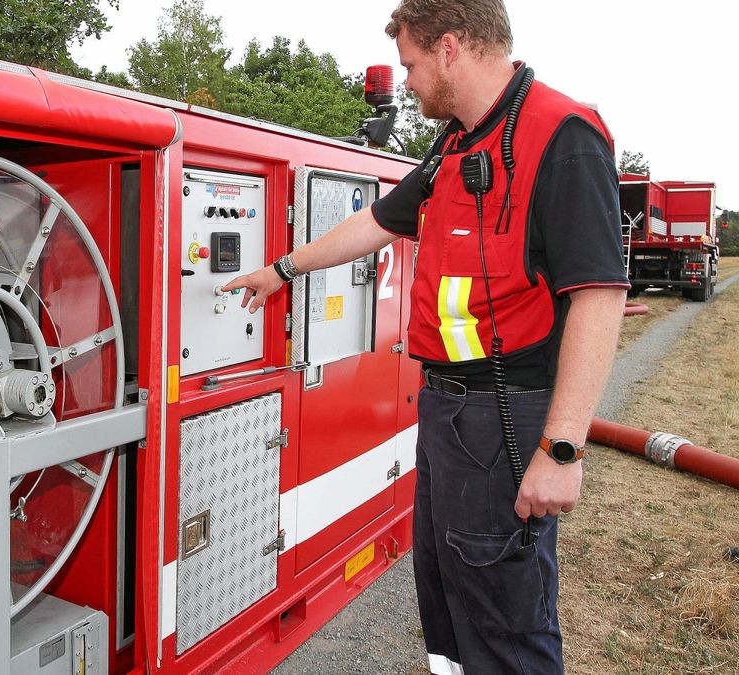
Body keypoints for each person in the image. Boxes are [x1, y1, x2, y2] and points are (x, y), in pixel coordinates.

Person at [222, 1, 629, 673]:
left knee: (504, 612)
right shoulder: (458, 143)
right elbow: (380, 221)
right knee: (447, 593)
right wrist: (282, 269)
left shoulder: (563, 135)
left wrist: (562, 447)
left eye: (410, 63)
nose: (406, 81)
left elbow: (599, 295)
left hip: (508, 411)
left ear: (450, 47)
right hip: (447, 410)